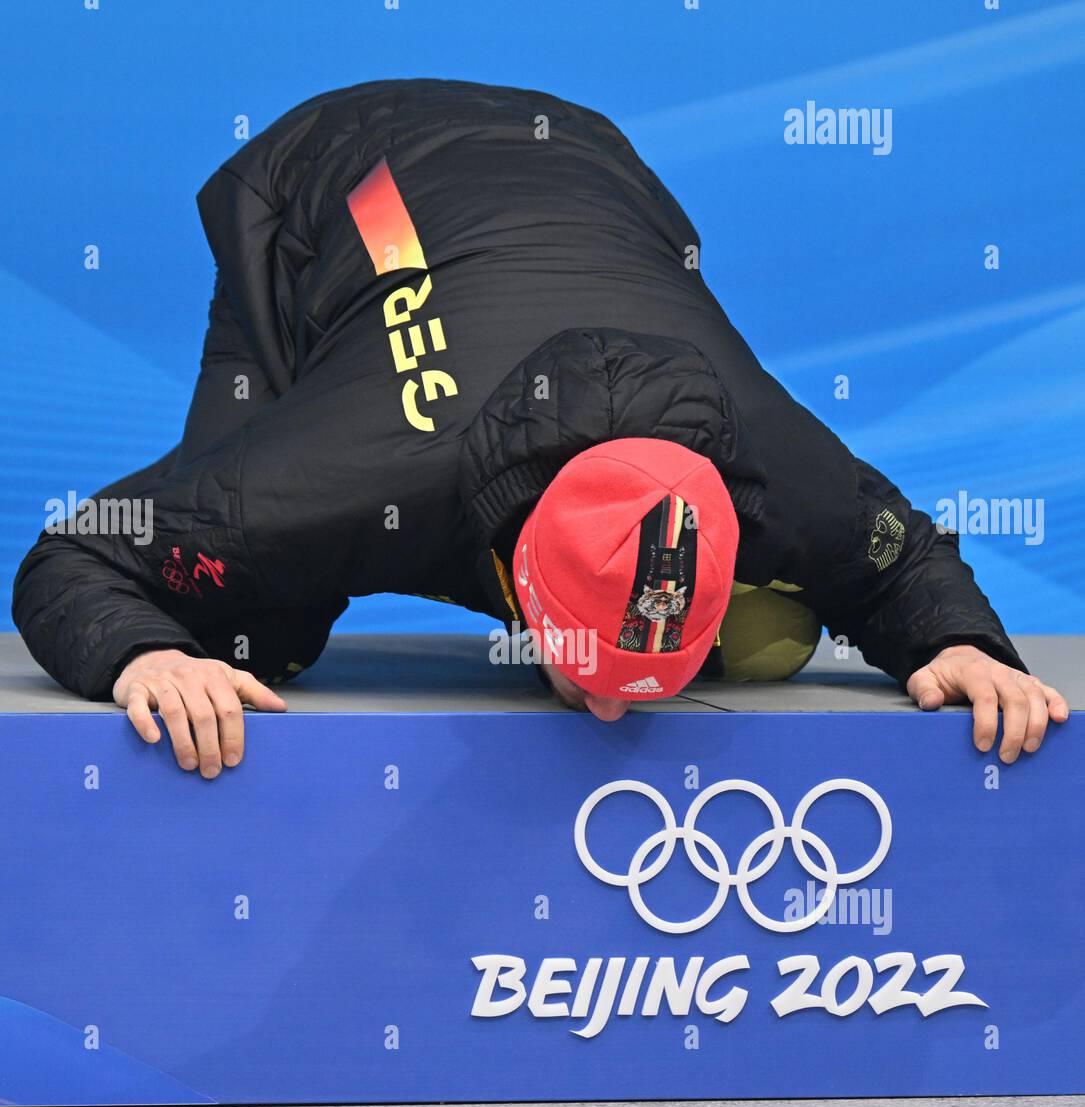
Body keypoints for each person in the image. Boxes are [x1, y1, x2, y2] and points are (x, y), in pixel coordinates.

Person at [12, 79, 1068, 776]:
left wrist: (959, 645)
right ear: (519, 578)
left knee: (765, 641)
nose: (610, 721)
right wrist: (142, 653)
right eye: (585, 665)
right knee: (255, 638)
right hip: (324, 186)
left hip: (587, 160)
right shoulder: (341, 470)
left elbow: (894, 561)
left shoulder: (770, 461)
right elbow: (75, 557)